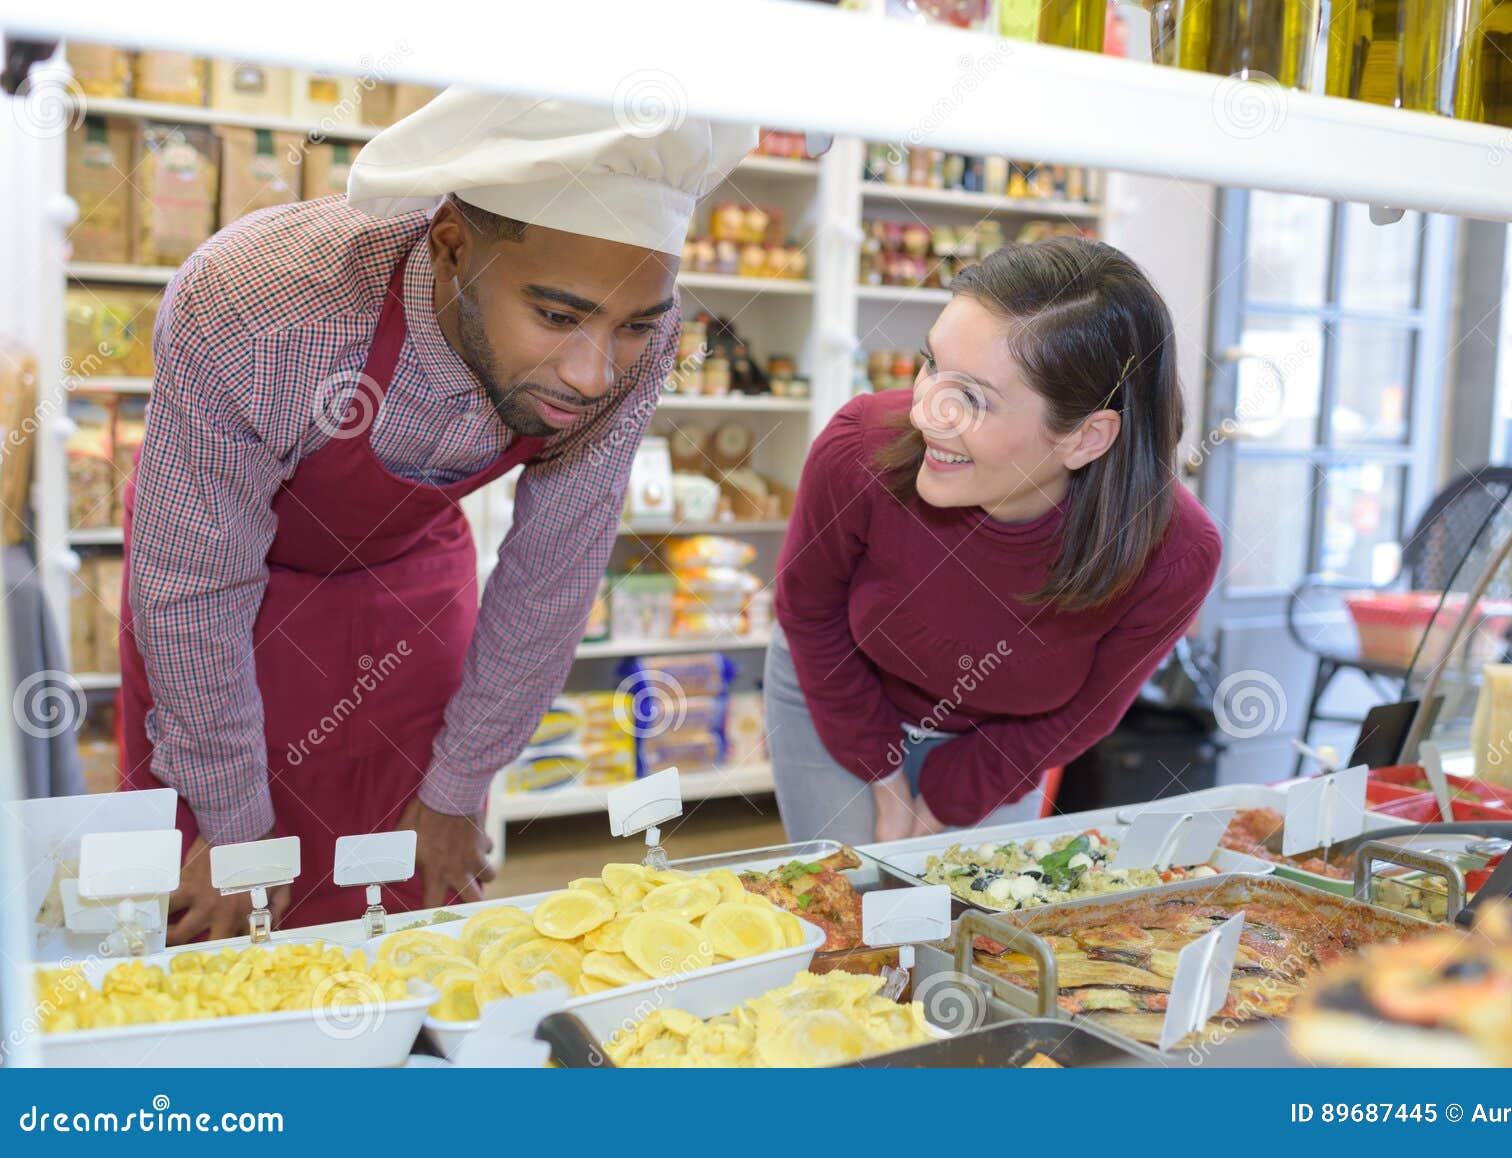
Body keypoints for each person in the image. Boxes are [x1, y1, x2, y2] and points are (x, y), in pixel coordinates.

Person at [118, 90, 754, 940]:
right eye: (557, 316)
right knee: (215, 913)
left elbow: (553, 575)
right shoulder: (257, 304)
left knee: (411, 883)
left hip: (409, 570)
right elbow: (194, 586)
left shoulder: (642, 331)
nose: (595, 374)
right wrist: (231, 827)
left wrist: (458, 788)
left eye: (633, 327)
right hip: (213, 580)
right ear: (452, 245)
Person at [767, 235, 1222, 845]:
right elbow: (809, 611)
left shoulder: (1176, 553)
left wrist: (952, 796)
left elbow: (1085, 710)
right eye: (932, 365)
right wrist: (883, 773)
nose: (927, 413)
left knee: (970, 903)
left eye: (974, 399)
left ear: (1086, 437)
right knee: (847, 897)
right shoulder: (857, 448)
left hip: (1004, 745)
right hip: (838, 687)